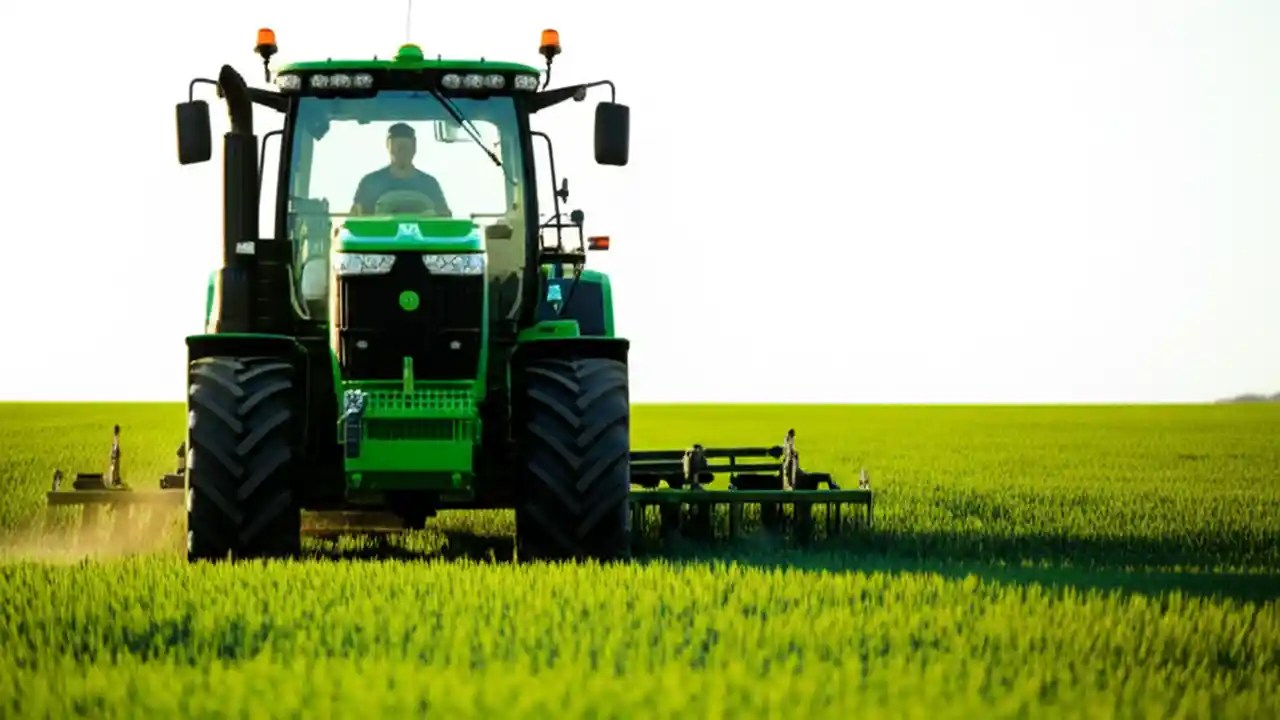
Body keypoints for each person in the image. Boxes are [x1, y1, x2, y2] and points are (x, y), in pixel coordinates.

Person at [350, 122, 452, 216]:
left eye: (405, 147)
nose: (402, 152)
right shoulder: (370, 183)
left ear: (414, 148)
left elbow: (444, 220)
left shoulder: (430, 185)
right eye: (398, 148)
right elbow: (356, 219)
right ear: (388, 146)